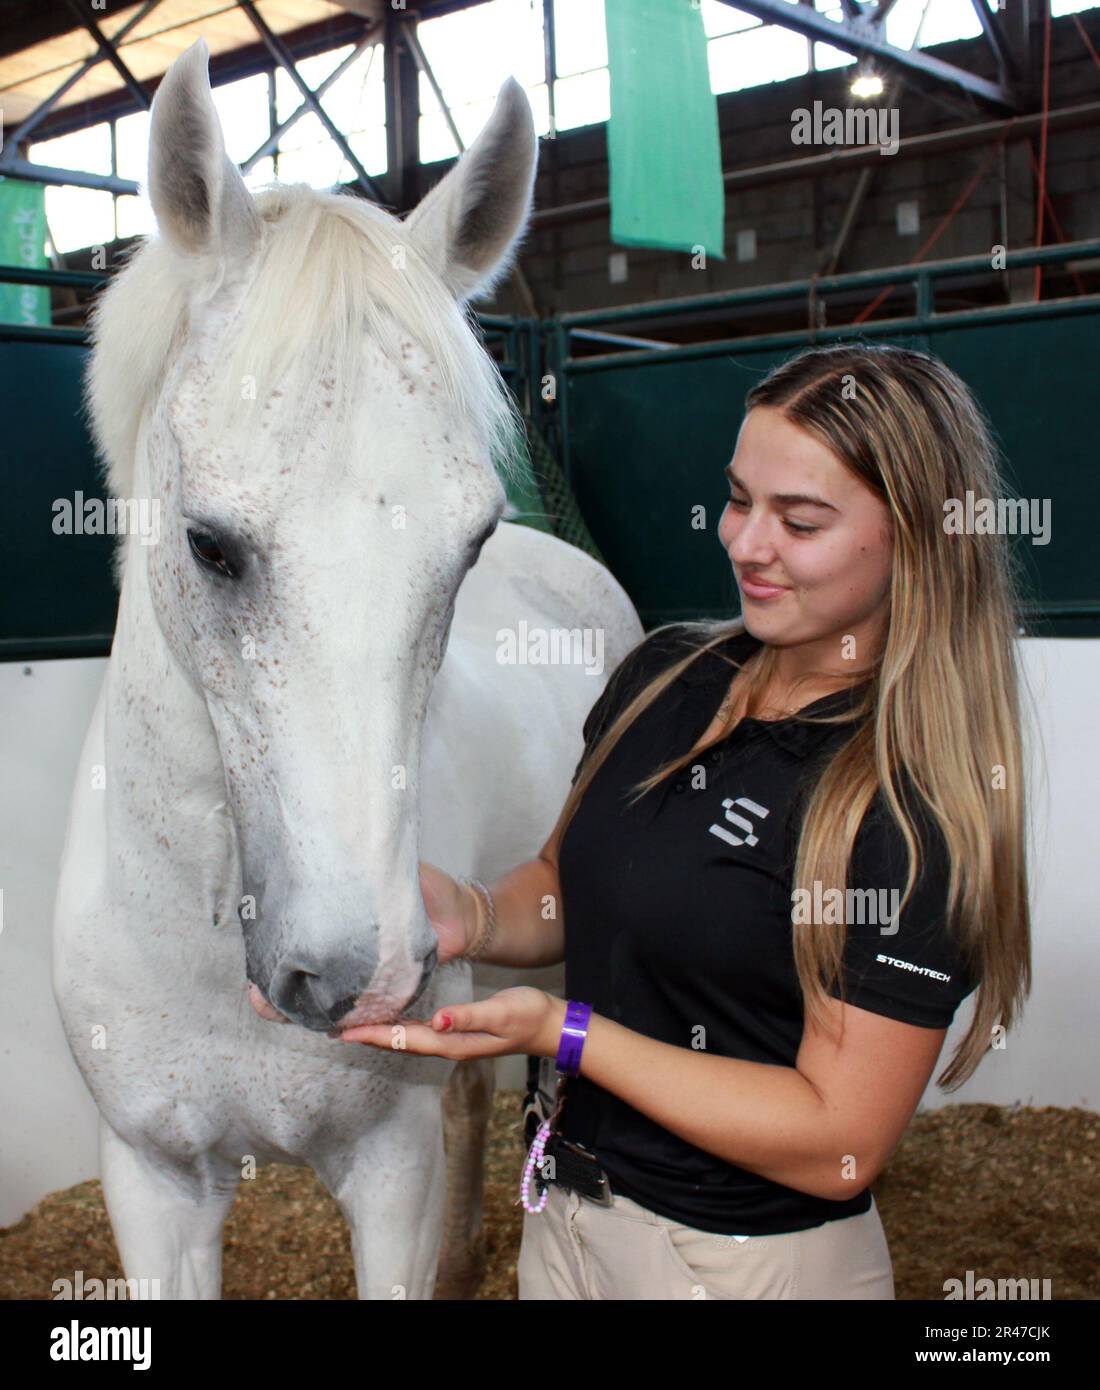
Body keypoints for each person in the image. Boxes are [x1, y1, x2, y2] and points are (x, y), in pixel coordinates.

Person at [338, 342, 1032, 1300]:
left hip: (745, 1265)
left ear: (914, 535)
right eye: (740, 499)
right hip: (568, 1224)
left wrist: (563, 1032)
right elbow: (569, 885)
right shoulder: (669, 673)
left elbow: (839, 1141)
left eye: (801, 520)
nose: (746, 543)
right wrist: (468, 912)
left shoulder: (906, 803)